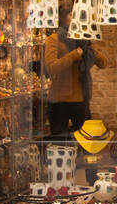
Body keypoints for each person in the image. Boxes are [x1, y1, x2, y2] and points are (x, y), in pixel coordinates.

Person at [45, 7, 109, 138]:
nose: (75, 18)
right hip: (60, 99)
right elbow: (51, 67)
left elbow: (103, 63)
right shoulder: (54, 39)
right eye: (71, 14)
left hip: (80, 99)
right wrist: (75, 54)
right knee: (60, 142)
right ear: (62, 18)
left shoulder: (82, 40)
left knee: (85, 141)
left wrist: (90, 50)